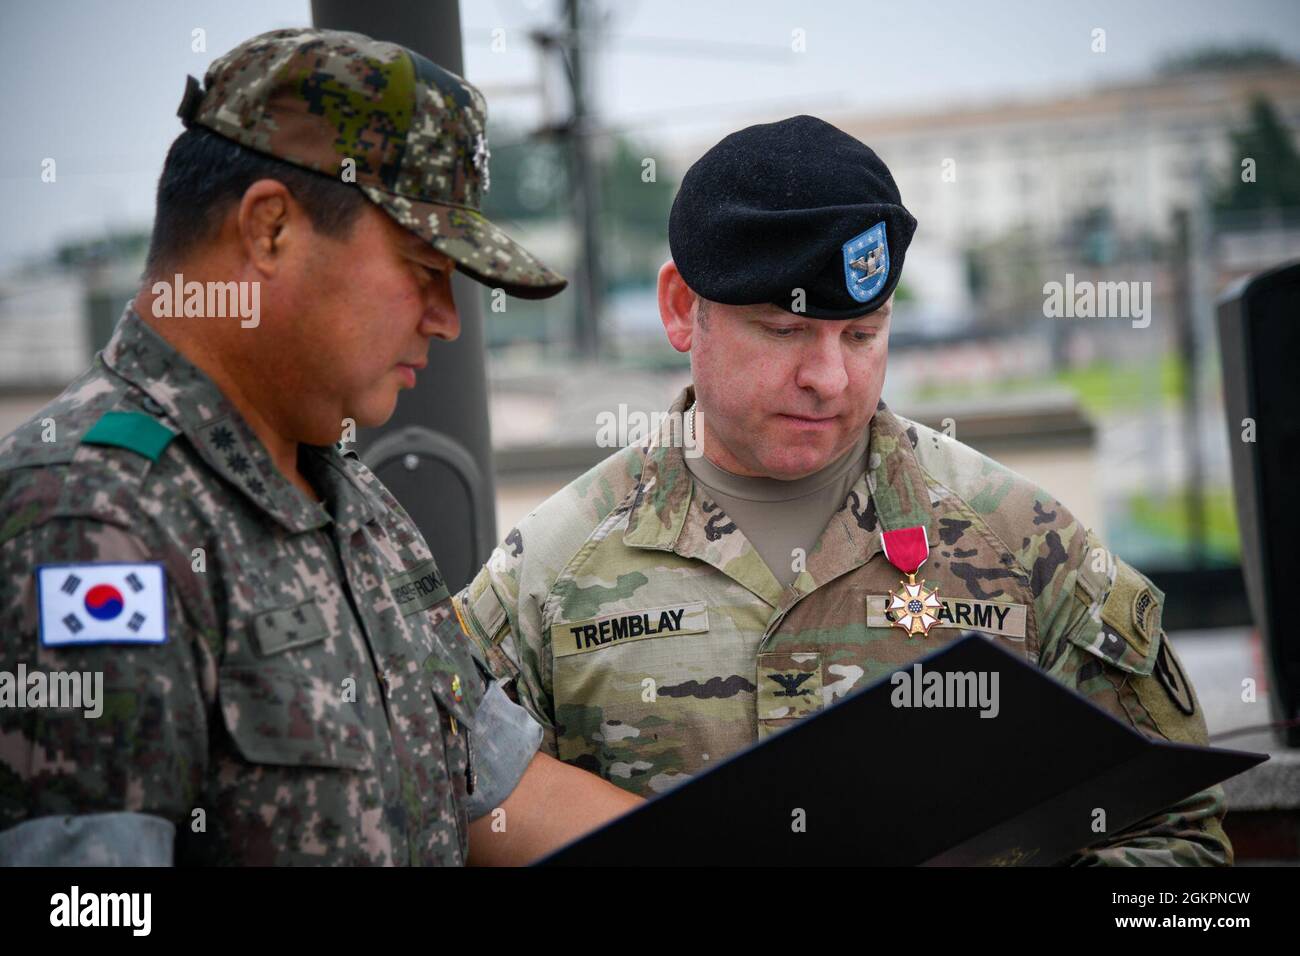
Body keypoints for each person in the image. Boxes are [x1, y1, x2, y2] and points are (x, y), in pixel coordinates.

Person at [455, 115, 1232, 866]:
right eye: (785, 331)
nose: (829, 378)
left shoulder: (1026, 543)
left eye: (863, 334)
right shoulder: (549, 575)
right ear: (682, 308)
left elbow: (1179, 834)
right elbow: (446, 813)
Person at [0, 27, 638, 867]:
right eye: (421, 269)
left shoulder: (347, 497)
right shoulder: (92, 517)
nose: (447, 318)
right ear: (269, 229)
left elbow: (500, 795)